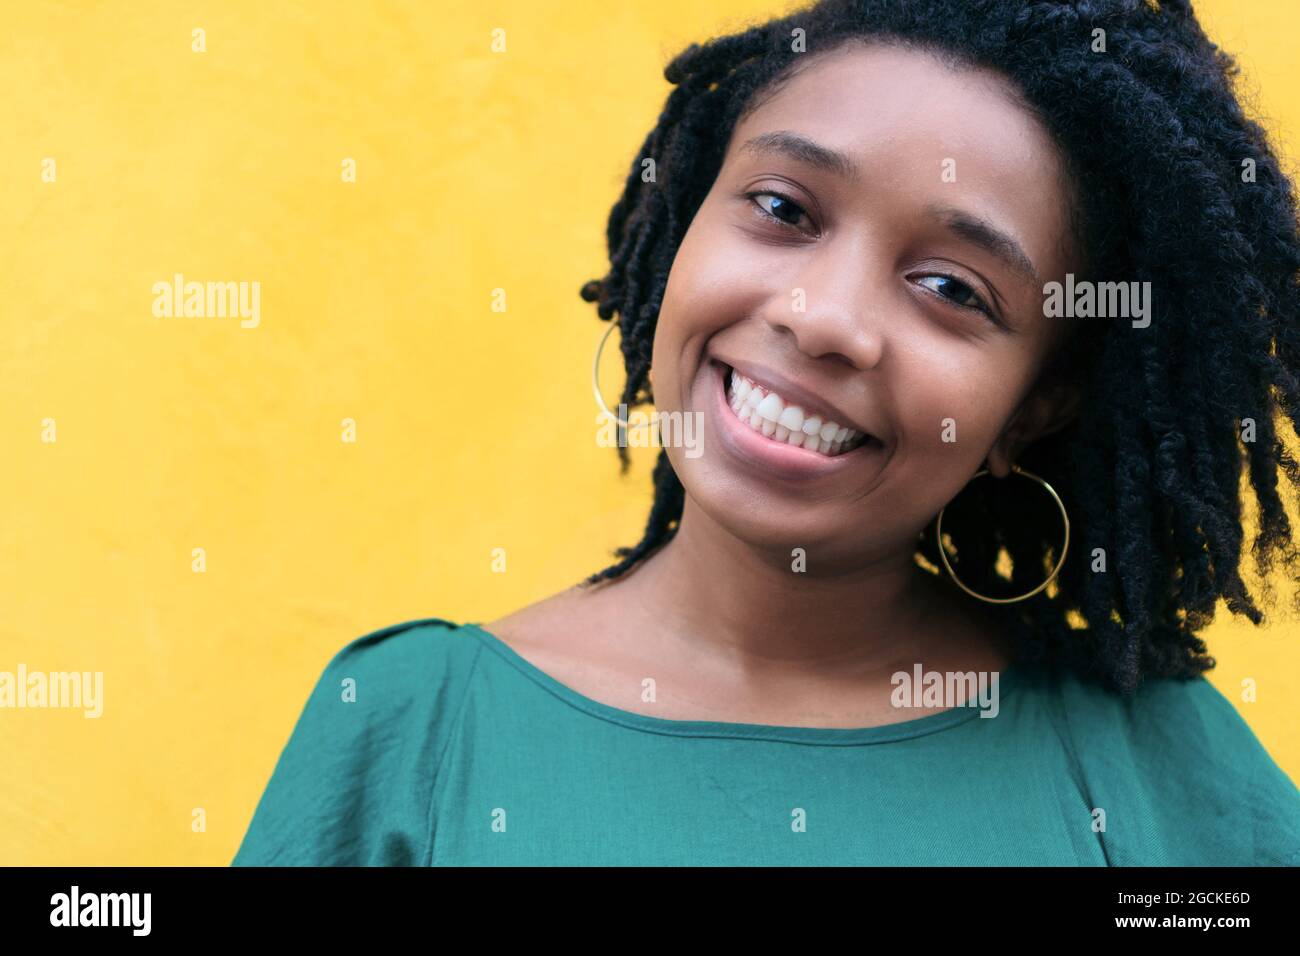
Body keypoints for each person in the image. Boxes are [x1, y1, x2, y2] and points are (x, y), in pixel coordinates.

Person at [233, 0, 1300, 866]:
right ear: (683, 224)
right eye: (785, 209)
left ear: (1028, 409)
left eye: (949, 287)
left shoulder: (1150, 766)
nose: (823, 317)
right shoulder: (408, 730)